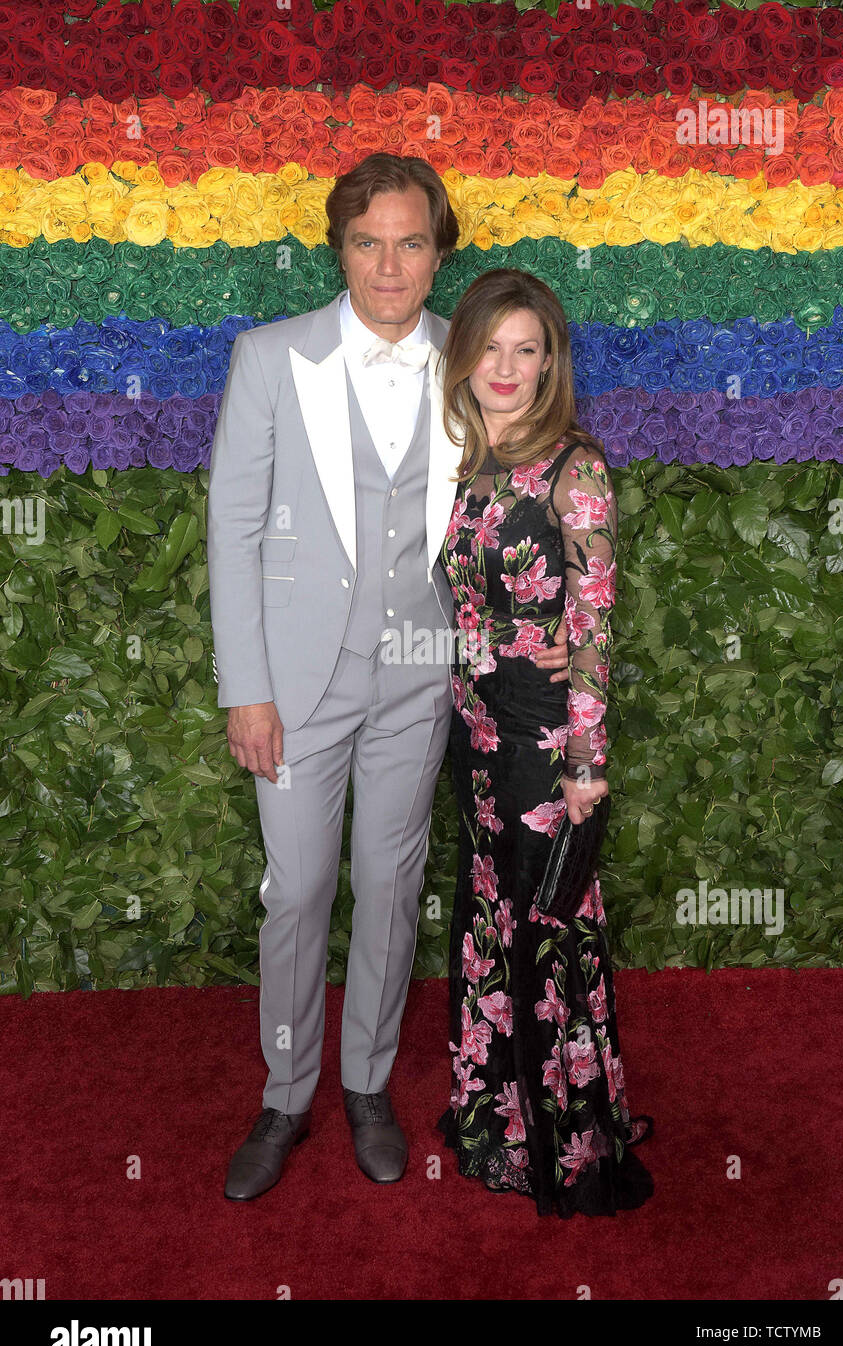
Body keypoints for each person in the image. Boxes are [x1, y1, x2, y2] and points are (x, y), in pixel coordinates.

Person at [207, 156, 570, 1200]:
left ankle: (366, 1082)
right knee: (298, 892)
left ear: (439, 253)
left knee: (390, 884)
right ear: (339, 249)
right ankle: (285, 1095)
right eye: (368, 242)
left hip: (421, 682)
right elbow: (233, 528)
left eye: (411, 242)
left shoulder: (470, 360)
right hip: (296, 687)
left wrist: (551, 628)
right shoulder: (271, 357)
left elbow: (529, 497)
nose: (389, 264)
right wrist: (247, 687)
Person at [435, 268, 655, 1217]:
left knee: (551, 928)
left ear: (551, 361)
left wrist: (585, 771)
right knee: (490, 919)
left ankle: (563, 1134)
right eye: (490, 346)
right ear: (465, 354)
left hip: (539, 745)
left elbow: (596, 629)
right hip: (473, 737)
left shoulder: (577, 468)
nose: (507, 366)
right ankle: (495, 1107)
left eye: (528, 349)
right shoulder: (469, 457)